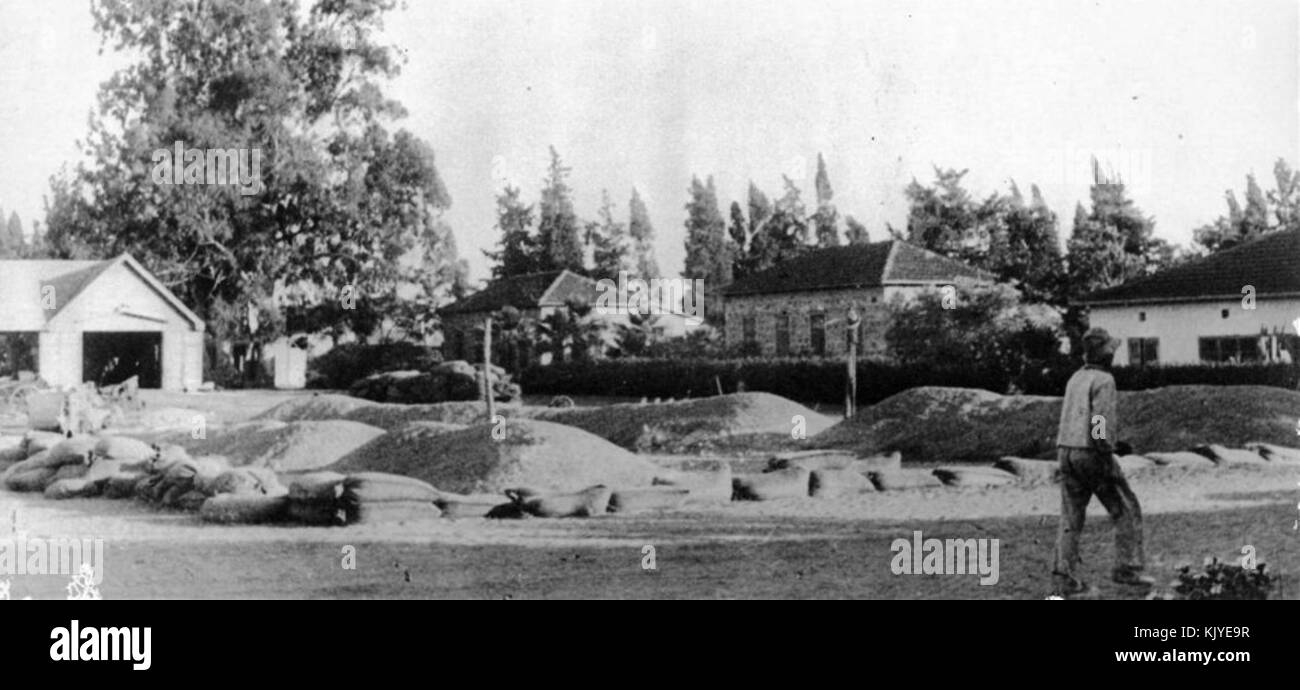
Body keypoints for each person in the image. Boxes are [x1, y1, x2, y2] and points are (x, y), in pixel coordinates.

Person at [1053, 327, 1154, 596]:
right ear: (1106, 353)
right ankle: (1127, 568)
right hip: (1091, 453)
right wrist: (1106, 446)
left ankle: (1064, 578)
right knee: (1126, 508)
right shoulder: (1105, 380)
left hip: (1065, 449)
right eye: (1112, 350)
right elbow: (1099, 420)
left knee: (1070, 518)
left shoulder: (1076, 377)